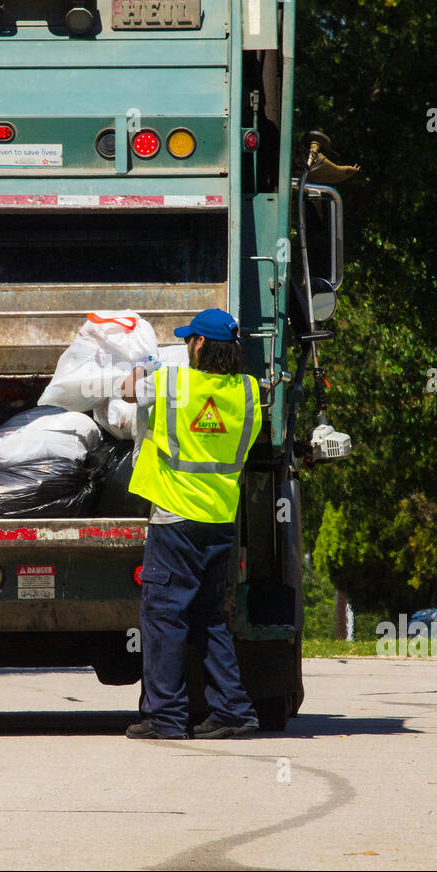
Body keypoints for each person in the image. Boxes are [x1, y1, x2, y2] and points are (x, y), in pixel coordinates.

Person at [120, 308, 263, 739]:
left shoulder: (172, 382)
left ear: (198, 344)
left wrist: (148, 366)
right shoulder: (249, 391)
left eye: (188, 340)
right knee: (211, 618)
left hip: (176, 519)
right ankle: (233, 712)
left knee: (164, 617)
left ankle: (165, 718)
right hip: (220, 520)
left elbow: (127, 391)